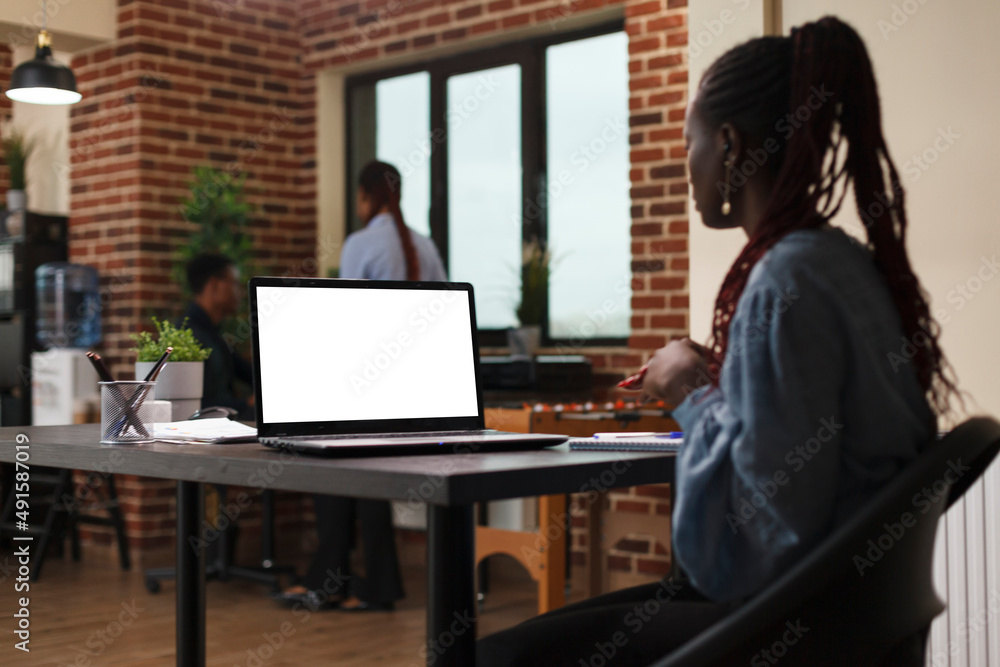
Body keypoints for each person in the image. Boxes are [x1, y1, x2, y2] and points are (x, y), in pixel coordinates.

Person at [476, 16, 959, 666]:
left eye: (688, 144)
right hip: (858, 621)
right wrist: (722, 390)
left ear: (729, 145)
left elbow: (759, 541)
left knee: (496, 656)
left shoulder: (782, 279)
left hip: (797, 629)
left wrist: (688, 389)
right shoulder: (836, 260)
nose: (685, 168)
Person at [274, 160, 447, 612]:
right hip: (422, 392)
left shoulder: (362, 243)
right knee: (364, 477)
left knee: (328, 466)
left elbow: (342, 316)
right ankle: (369, 584)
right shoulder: (426, 246)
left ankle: (330, 581)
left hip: (367, 383)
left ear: (366, 197)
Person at [183, 253, 254, 420]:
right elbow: (199, 404)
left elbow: (249, 374)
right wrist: (247, 403)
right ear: (214, 285)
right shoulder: (188, 337)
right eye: (235, 283)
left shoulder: (212, 334)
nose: (240, 292)